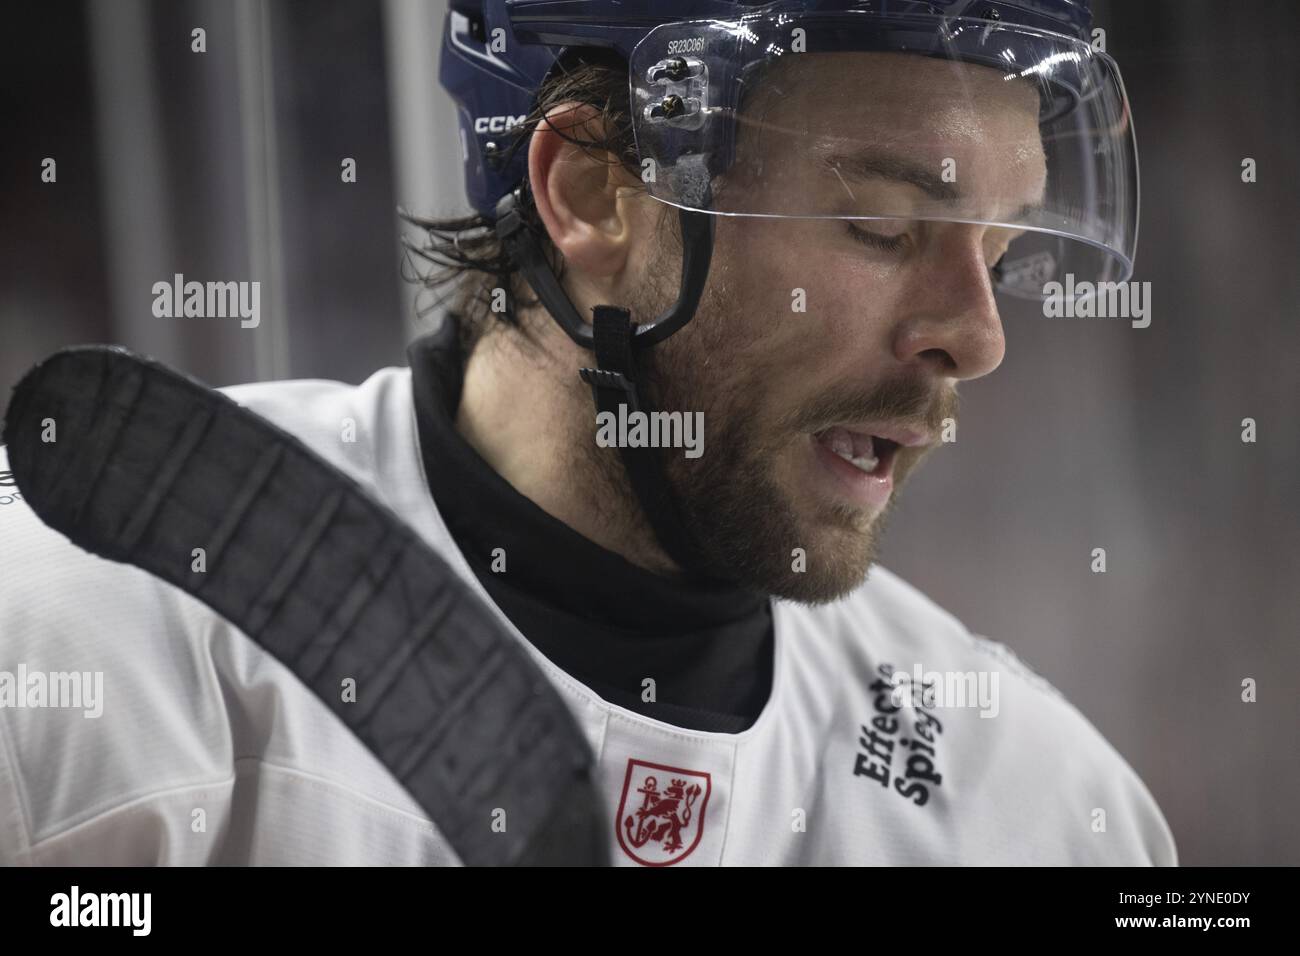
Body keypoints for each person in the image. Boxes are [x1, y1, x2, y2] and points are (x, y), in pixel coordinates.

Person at [0, 0, 1174, 865]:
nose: (977, 335)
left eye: (1004, 249)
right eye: (878, 225)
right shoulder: (95, 649)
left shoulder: (1042, 810)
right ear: (591, 195)